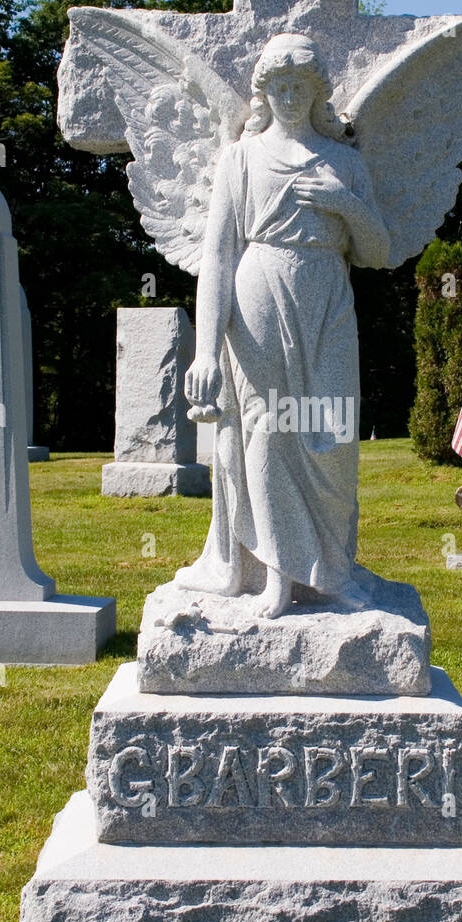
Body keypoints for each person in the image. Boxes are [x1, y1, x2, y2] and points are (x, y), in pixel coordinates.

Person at [176, 34, 390, 618]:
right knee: (265, 432)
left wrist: (346, 202)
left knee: (334, 436)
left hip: (327, 301)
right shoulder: (241, 158)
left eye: (302, 85)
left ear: (320, 92)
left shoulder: (344, 161)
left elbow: (377, 251)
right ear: (263, 92)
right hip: (259, 297)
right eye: (280, 85)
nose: (291, 95)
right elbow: (217, 255)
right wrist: (206, 352)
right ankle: (279, 572)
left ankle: (332, 571)